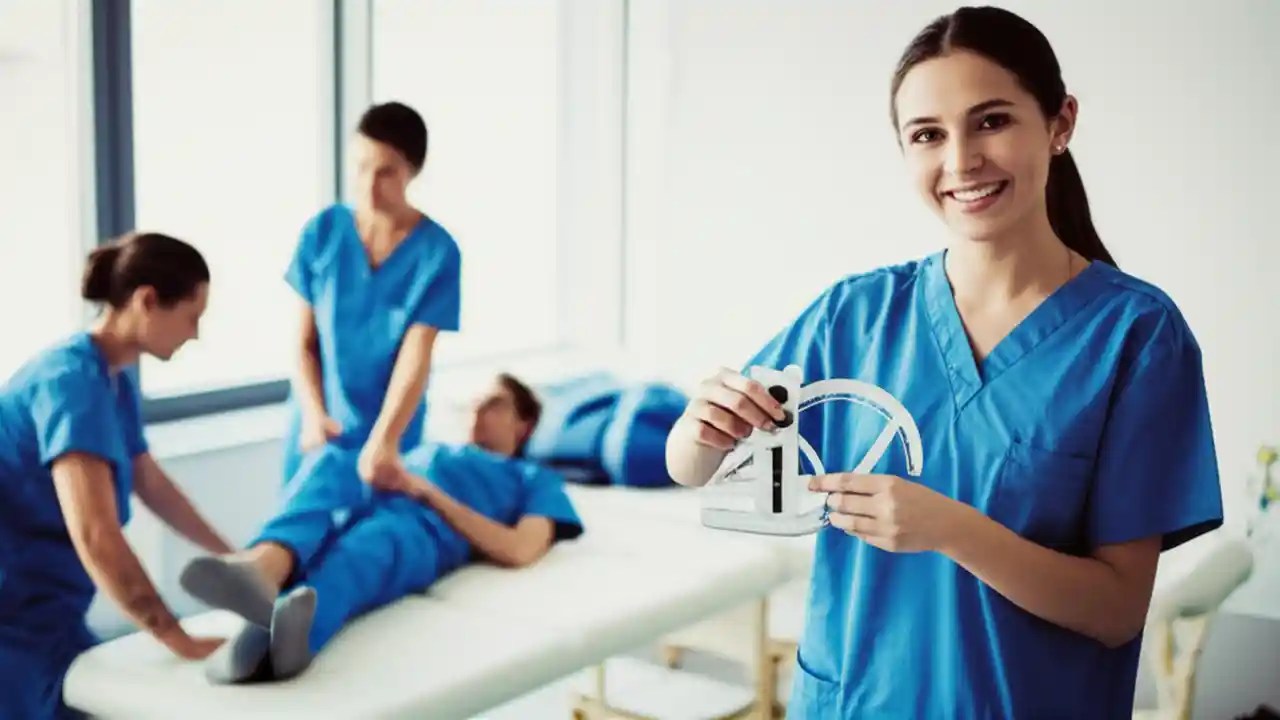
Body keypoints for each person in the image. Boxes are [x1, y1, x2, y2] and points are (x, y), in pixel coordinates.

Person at [665, 7, 1223, 719]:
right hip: (853, 702)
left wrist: (953, 530)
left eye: (992, 121)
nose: (961, 161)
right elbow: (695, 467)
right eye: (928, 134)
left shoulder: (1135, 336)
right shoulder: (854, 315)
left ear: (1060, 124)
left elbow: (1116, 610)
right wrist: (699, 428)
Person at [180, 373, 583, 683]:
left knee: (359, 553)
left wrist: (430, 495)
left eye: (493, 404)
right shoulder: (434, 448)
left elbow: (519, 549)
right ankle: (262, 568)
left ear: (524, 423)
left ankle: (278, 646)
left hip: (424, 528)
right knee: (328, 463)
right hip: (370, 495)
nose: (476, 412)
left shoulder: (533, 479)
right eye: (473, 403)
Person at [0, 233, 233, 719]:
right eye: (191, 316)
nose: (195, 335)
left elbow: (151, 483)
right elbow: (96, 535)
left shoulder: (112, 379)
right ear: (147, 301)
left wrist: (232, 556)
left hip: (49, 612)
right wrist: (177, 638)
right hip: (13, 614)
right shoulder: (71, 384)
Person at [282, 100, 462, 488]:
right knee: (301, 517)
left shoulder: (437, 253)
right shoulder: (323, 232)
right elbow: (304, 344)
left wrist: (385, 439)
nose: (368, 185)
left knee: (380, 521)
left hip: (391, 430)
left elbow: (416, 356)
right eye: (361, 167)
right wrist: (314, 414)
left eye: (385, 172)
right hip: (319, 424)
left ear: (413, 170)